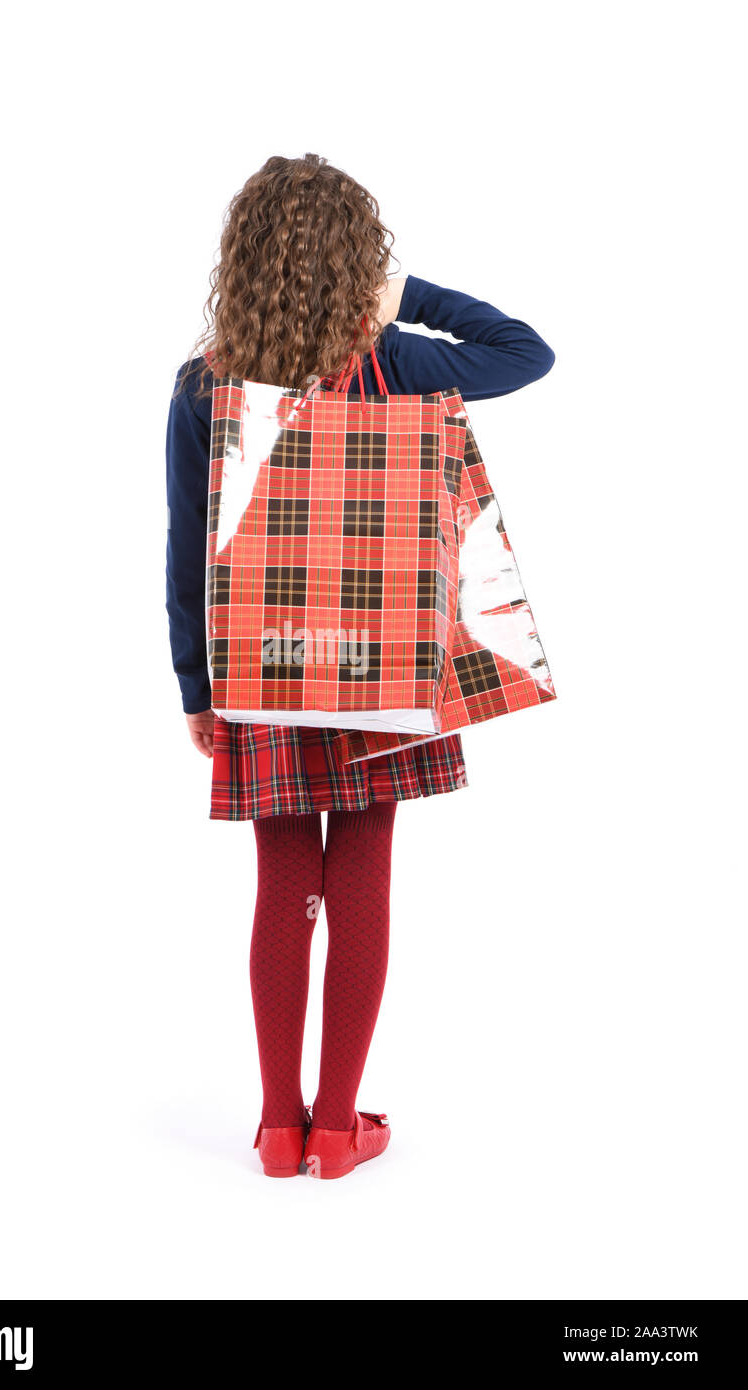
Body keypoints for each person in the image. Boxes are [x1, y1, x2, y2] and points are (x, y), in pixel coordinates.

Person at [165, 153, 555, 1179]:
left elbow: (183, 549)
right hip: (381, 664)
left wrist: (194, 687)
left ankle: (277, 1124)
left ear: (240, 261)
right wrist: (404, 300)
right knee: (364, 873)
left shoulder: (204, 384)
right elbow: (525, 351)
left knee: (283, 880)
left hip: (261, 666)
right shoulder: (402, 364)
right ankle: (339, 1126)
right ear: (360, 265)